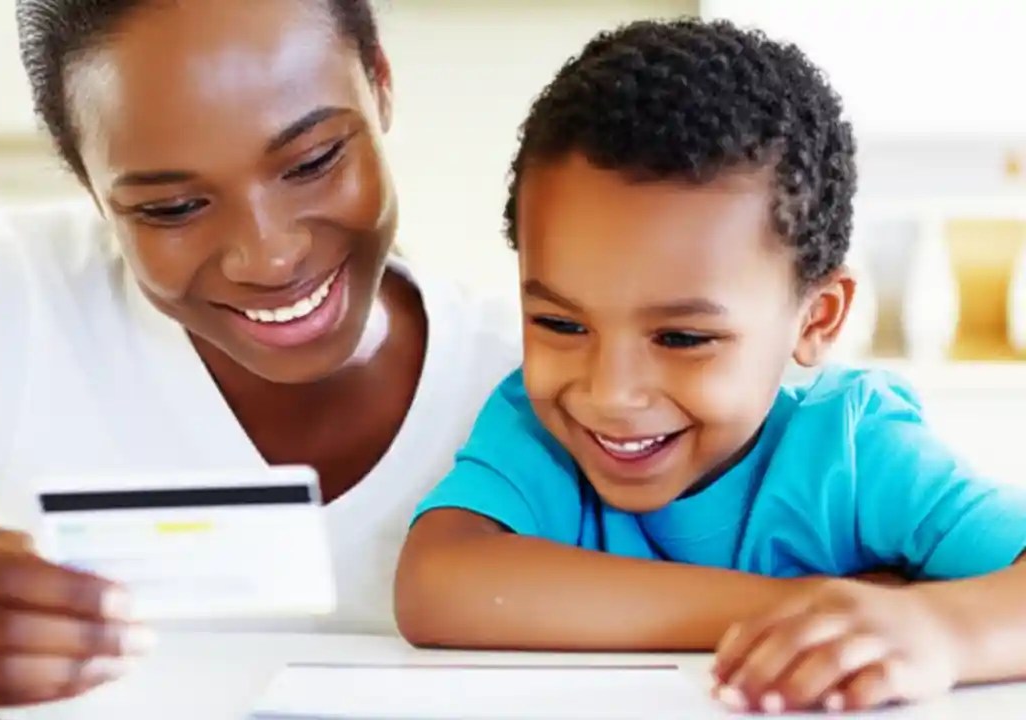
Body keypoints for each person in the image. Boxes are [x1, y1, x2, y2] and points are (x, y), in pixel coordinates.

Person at [0, 0, 523, 710]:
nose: (268, 254)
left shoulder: (546, 380)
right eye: (173, 208)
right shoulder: (9, 301)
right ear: (88, 184)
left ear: (380, 82)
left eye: (314, 160)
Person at [394, 18, 1026, 715]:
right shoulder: (537, 431)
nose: (610, 394)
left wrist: (936, 629)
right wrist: (805, 610)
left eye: (683, 338)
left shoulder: (855, 448)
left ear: (815, 319)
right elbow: (438, 584)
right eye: (561, 324)